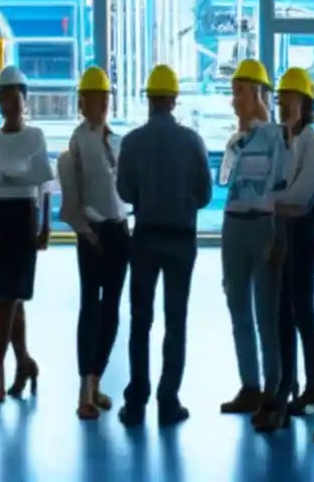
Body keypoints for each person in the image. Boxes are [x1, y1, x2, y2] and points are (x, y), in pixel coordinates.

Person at [116, 64, 212, 428]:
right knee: (176, 321)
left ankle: (137, 401)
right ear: (173, 100)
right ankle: (168, 401)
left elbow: (124, 192)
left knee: (140, 322)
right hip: (180, 240)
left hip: (144, 239)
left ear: (149, 101)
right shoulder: (192, 142)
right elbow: (204, 194)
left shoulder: (132, 142)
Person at [217, 59, 287, 432]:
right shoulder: (236, 140)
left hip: (262, 226)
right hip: (234, 226)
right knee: (237, 306)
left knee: (266, 313)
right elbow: (225, 179)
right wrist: (241, 136)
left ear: (259, 92)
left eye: (240, 92)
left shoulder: (276, 137)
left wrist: (275, 235)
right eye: (234, 93)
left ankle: (274, 388)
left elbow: (277, 187)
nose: (235, 101)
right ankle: (250, 384)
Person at [57, 66, 129, 420]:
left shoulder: (117, 141)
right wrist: (88, 233)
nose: (94, 104)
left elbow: (125, 193)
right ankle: (84, 388)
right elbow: (71, 200)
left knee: (112, 308)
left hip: (119, 231)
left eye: (99, 98)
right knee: (90, 306)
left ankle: (96, 379)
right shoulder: (78, 141)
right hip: (93, 233)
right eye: (88, 99)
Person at [0, 65, 53, 403]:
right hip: (2, 218)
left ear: (25, 99)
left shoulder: (35, 137)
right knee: (9, 295)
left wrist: (46, 225)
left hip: (25, 217)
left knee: (12, 294)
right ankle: (17, 362)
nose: (11, 100)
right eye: (5, 95)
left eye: (17, 94)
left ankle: (5, 363)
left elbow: (44, 182)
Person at [272, 67, 314, 418]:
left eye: (293, 99)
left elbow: (303, 194)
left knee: (303, 311)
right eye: (283, 100)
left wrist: (274, 200)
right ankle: (285, 381)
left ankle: (312, 388)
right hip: (277, 233)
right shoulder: (274, 140)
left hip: (302, 235)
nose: (287, 106)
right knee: (280, 313)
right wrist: (278, 200)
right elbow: (264, 187)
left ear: (307, 105)